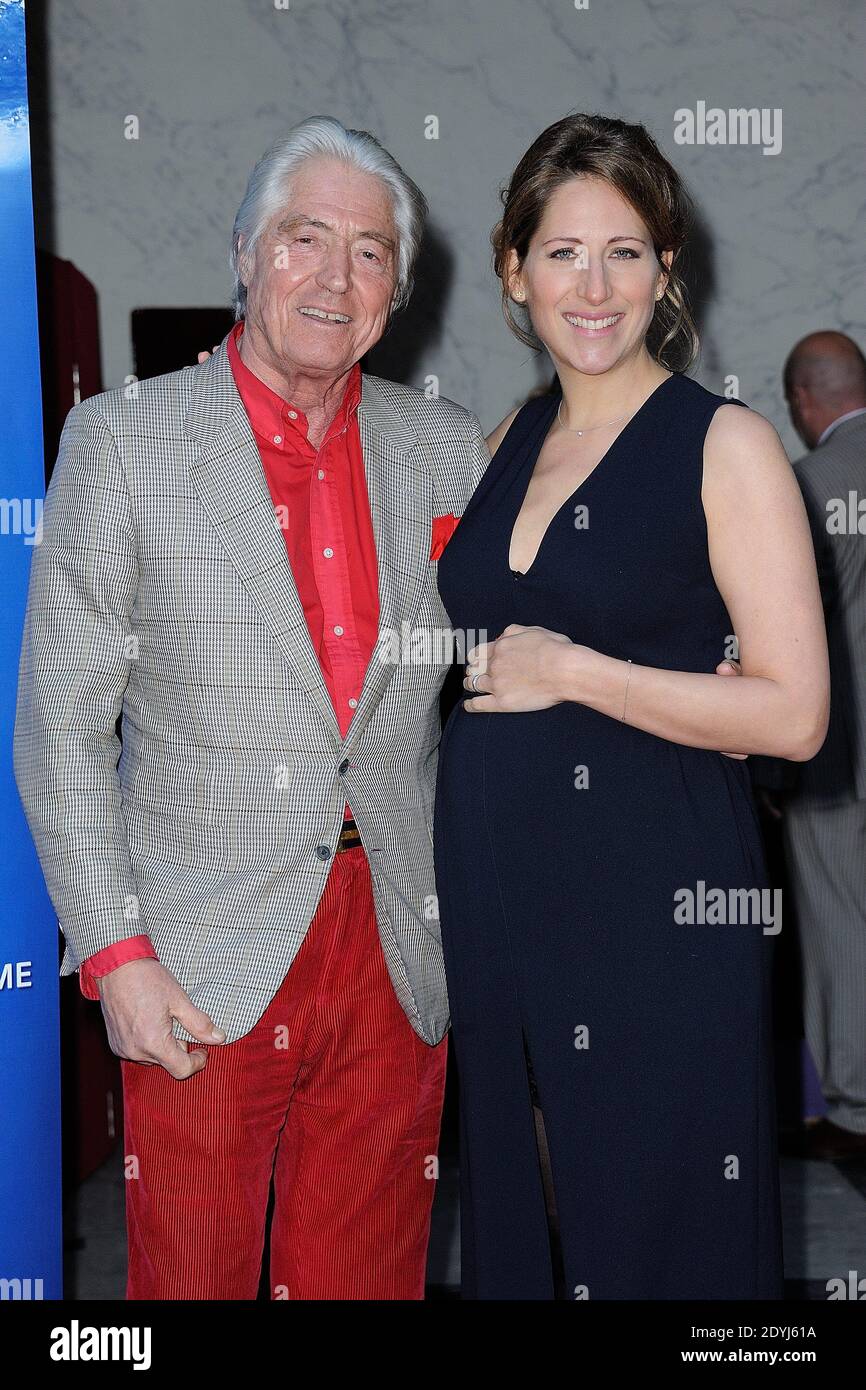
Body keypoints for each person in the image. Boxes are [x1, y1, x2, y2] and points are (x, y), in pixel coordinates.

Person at [13, 116, 489, 1300]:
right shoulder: (122, 440)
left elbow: (493, 678)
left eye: (370, 251)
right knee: (192, 1285)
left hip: (392, 942)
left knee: (367, 1281)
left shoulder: (443, 451)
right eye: (304, 238)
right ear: (244, 252)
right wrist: (116, 956)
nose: (335, 277)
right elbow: (59, 727)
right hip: (196, 957)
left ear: (398, 287)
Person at [433, 112, 829, 1299]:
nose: (591, 286)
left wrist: (579, 674)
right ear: (512, 269)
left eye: (624, 251)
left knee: (653, 1224)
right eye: (560, 252)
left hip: (654, 899)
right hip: (502, 892)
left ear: (666, 267)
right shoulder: (503, 438)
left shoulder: (727, 444)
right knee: (528, 1213)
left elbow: (795, 715)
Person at [780, 332, 866, 1158]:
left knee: (841, 921)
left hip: (840, 752)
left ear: (805, 403)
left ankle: (854, 1106)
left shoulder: (809, 487)